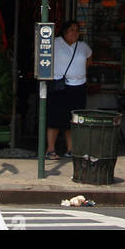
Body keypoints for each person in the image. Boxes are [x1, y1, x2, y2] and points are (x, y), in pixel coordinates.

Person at [47, 20, 92, 159]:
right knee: (55, 119)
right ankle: (51, 149)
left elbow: (89, 60)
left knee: (72, 120)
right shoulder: (55, 43)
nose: (75, 33)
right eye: (72, 30)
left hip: (78, 86)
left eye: (77, 30)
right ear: (64, 31)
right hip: (59, 85)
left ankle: (71, 149)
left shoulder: (83, 46)